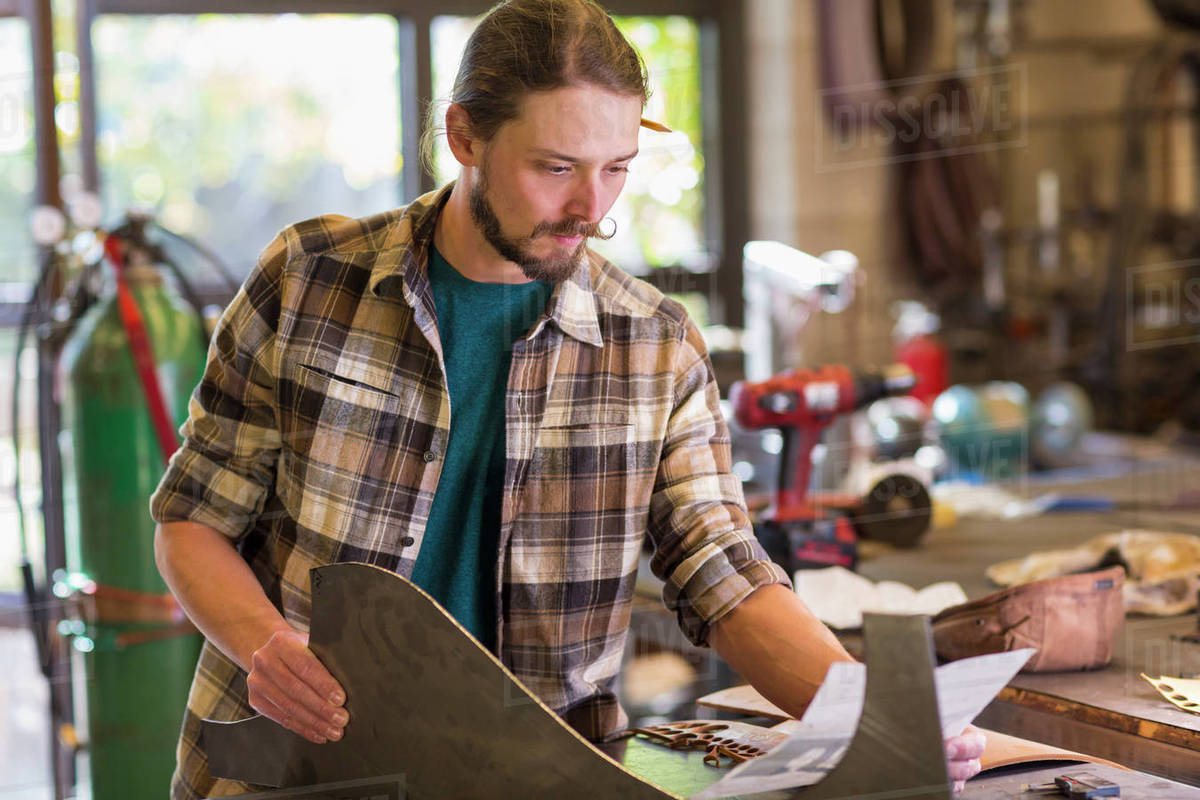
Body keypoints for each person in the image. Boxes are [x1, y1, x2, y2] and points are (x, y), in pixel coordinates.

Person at [151, 1, 985, 797]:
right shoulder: (308, 281)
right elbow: (192, 521)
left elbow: (725, 576)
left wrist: (878, 716)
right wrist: (265, 646)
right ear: (464, 135)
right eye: (556, 168)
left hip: (534, 779)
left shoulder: (654, 345)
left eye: (616, 169)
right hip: (298, 769)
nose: (591, 209)